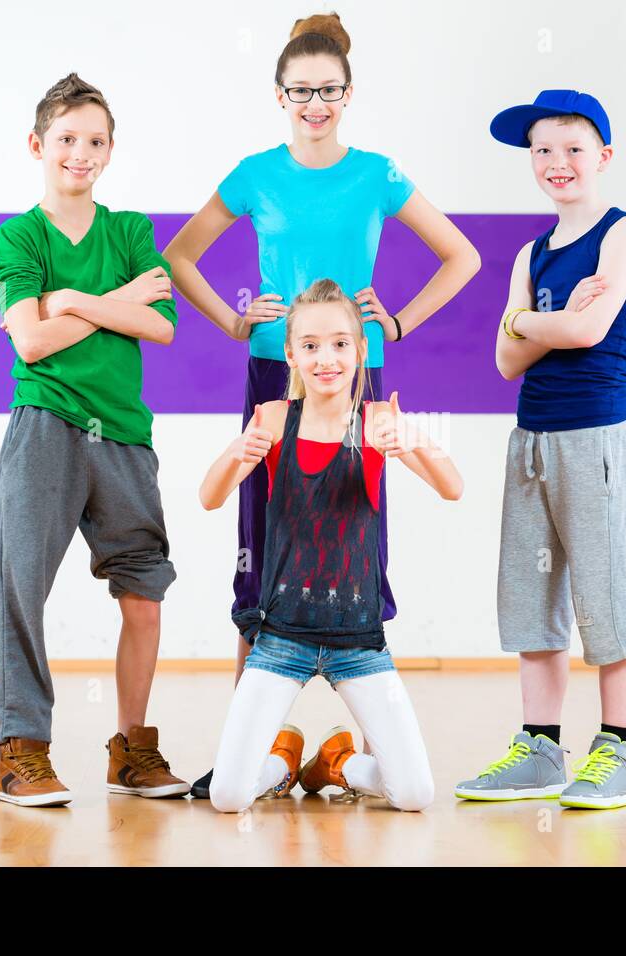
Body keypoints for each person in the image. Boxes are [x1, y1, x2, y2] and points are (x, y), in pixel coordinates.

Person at [164, 11, 479, 797]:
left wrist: (397, 321)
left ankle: (369, 751)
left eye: (328, 90)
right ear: (278, 94)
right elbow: (179, 254)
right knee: (259, 555)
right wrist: (237, 320)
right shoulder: (255, 173)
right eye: (300, 90)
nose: (314, 103)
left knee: (359, 548)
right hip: (276, 374)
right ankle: (257, 745)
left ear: (348, 93)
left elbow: (462, 256)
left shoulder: (377, 173)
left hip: (351, 381)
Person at [0, 73, 188, 806]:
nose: (82, 152)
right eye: (67, 139)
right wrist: (115, 301)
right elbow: (33, 345)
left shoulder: (130, 230)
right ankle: (22, 750)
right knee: (21, 588)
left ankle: (132, 752)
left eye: (96, 140)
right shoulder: (20, 235)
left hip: (125, 438)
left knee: (144, 593)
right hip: (45, 425)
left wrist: (72, 299)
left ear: (110, 149)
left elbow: (162, 326)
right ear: (38, 145)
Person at [455, 90, 626, 810]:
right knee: (530, 599)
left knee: (606, 598)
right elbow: (506, 361)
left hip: (595, 435)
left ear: (603, 154)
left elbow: (587, 333)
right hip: (530, 440)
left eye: (573, 147)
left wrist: (530, 321)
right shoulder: (532, 252)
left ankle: (620, 752)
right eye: (543, 149)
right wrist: (538, 319)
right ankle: (540, 750)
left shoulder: (624, 234)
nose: (557, 162)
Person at [197, 278, 462, 812]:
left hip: (358, 638)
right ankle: (283, 762)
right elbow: (209, 496)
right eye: (311, 346)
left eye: (341, 344)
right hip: (281, 636)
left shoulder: (379, 419)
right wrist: (236, 455)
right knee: (227, 795)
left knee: (413, 793)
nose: (327, 358)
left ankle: (339, 764)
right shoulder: (272, 419)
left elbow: (452, 486)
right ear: (291, 354)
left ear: (361, 350)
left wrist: (409, 443)